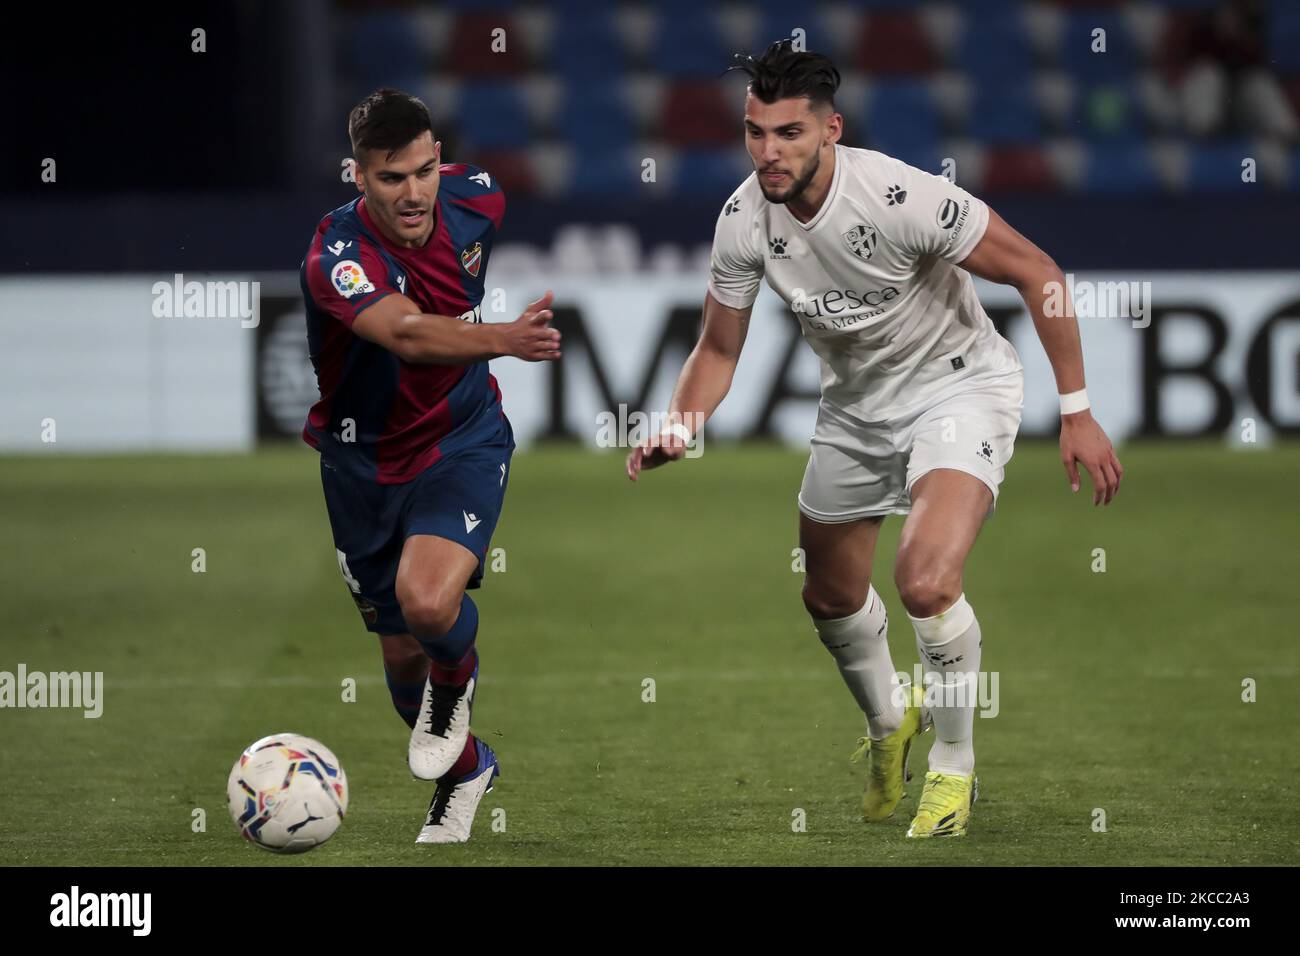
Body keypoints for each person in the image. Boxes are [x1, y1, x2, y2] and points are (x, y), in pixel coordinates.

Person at [628, 42, 1122, 839]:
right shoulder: (742, 220)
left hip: (959, 387)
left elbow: (1040, 273)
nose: (768, 152)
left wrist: (1078, 409)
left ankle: (954, 769)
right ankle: (891, 721)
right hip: (855, 411)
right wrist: (682, 423)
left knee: (924, 582)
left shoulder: (900, 195)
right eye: (756, 132)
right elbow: (718, 348)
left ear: (832, 129)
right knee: (825, 595)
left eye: (788, 133)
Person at [300, 88, 560, 843]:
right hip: (362, 463)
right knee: (399, 662)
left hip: (462, 438)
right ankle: (468, 766)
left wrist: (490, 353)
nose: (413, 193)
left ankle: (456, 687)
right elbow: (408, 335)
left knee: (426, 603)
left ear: (440, 158)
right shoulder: (336, 255)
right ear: (358, 177)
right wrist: (502, 338)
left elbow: (442, 310)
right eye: (390, 178)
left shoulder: (478, 198)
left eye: (423, 170)